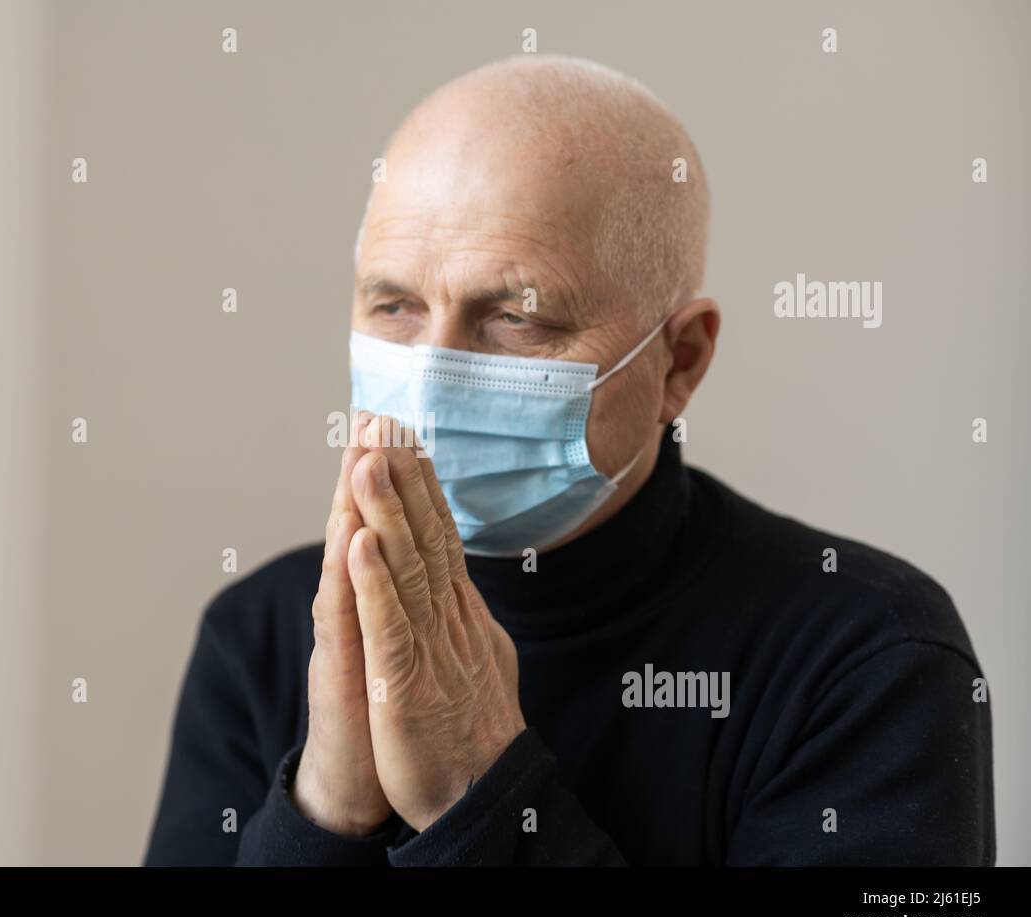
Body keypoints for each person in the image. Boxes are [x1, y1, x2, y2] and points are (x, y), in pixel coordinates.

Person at [144, 55, 994, 866]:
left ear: (681, 359)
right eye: (395, 305)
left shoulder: (867, 657)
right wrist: (323, 812)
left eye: (517, 317)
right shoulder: (259, 635)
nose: (432, 376)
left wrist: (481, 799)